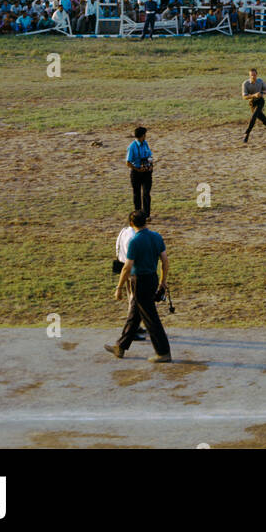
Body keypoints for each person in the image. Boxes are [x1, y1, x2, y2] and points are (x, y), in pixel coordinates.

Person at [104, 210, 171, 363]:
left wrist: (119, 288)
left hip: (139, 281)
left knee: (150, 318)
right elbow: (165, 261)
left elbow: (127, 267)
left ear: (131, 223)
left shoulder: (134, 241)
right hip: (153, 279)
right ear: (146, 222)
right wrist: (163, 281)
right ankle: (120, 347)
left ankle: (163, 352)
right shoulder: (156, 237)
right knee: (135, 314)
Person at [241, 67, 266, 142]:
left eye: (254, 75)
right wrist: (254, 95)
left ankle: (247, 133)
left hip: (260, 101)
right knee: (263, 119)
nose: (253, 77)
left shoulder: (260, 81)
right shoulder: (245, 84)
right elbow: (244, 97)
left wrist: (261, 93)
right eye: (251, 75)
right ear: (249, 76)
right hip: (252, 103)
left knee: (254, 116)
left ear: (257, 75)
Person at [125, 126, 154, 217]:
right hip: (136, 173)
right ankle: (138, 214)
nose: (145, 136)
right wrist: (138, 169)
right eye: (145, 135)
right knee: (137, 194)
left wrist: (150, 165)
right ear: (142, 135)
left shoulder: (145, 143)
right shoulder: (132, 147)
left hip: (146, 172)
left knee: (146, 193)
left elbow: (149, 155)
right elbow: (128, 162)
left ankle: (146, 214)